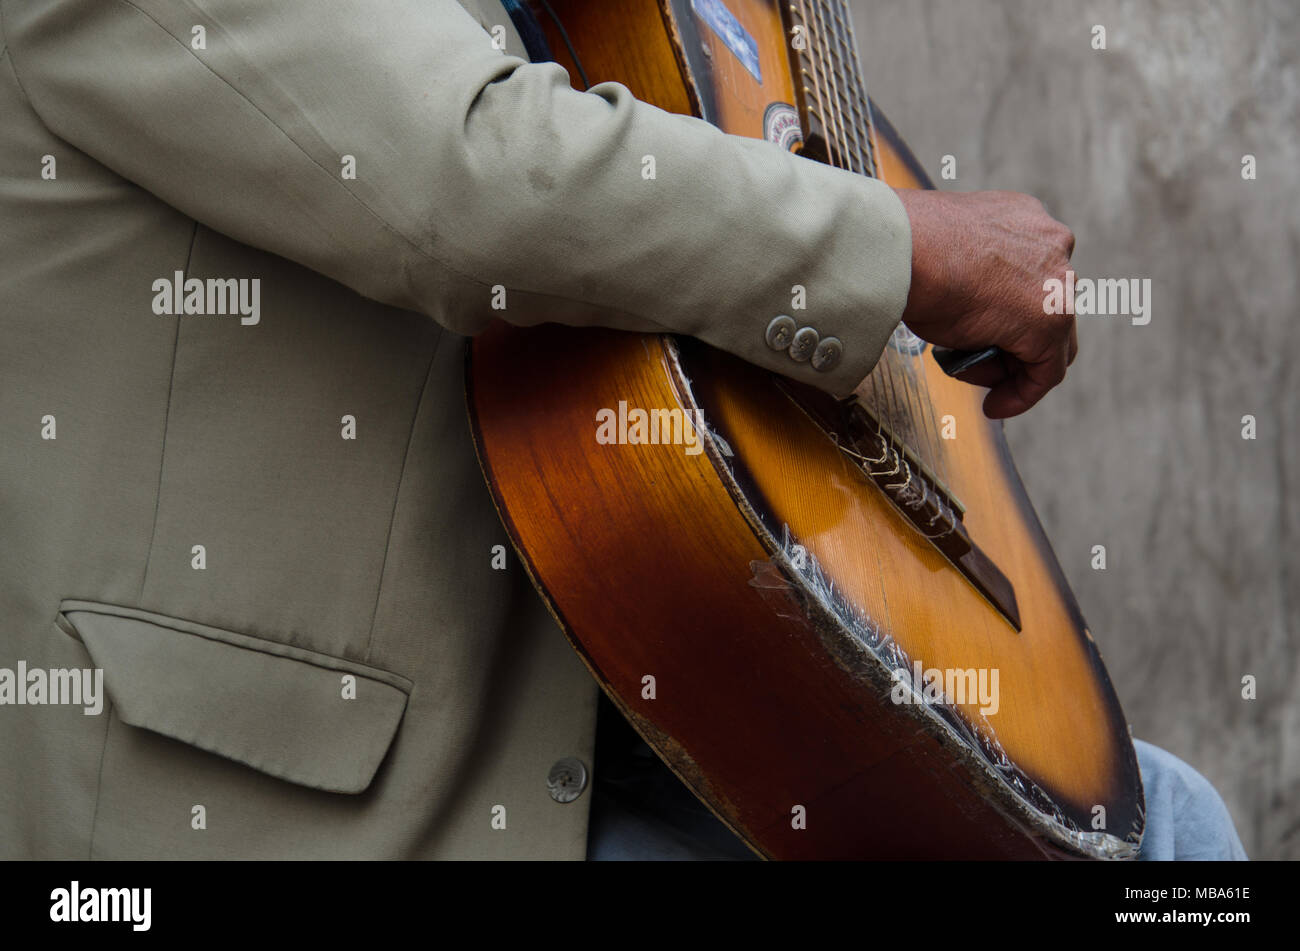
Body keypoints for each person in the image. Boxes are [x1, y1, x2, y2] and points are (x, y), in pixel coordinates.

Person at [0, 0, 1243, 860]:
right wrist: (902, 251)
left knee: (1168, 829)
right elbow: (465, 181)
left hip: (605, 694)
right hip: (308, 786)